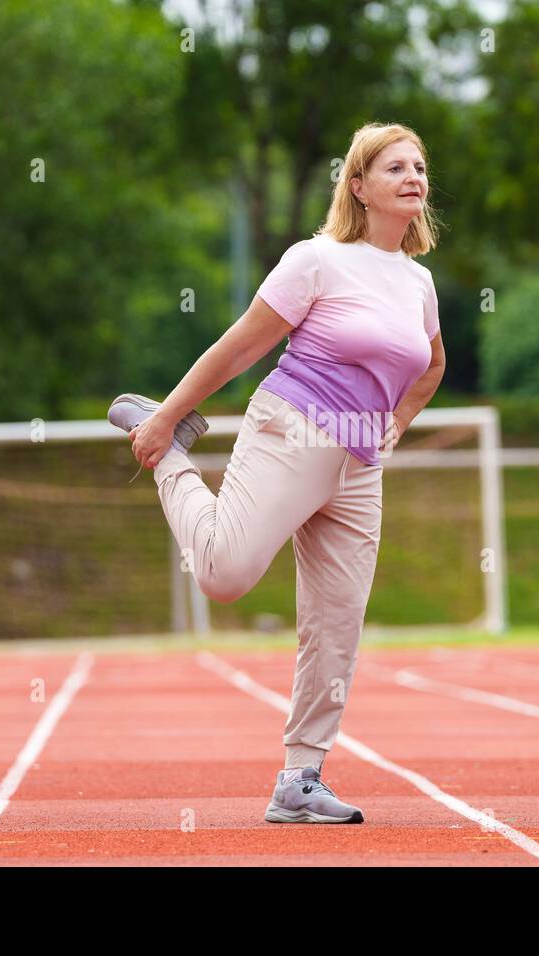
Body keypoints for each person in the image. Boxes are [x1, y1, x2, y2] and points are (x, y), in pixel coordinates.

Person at [109, 121, 446, 823]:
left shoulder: (418, 282)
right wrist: (169, 417)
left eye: (418, 167)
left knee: (336, 623)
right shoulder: (316, 260)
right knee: (225, 577)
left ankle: (300, 779)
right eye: (394, 168)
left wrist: (398, 423)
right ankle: (174, 459)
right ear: (358, 187)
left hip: (359, 462)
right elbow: (240, 348)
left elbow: (432, 364)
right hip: (292, 429)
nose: (412, 176)